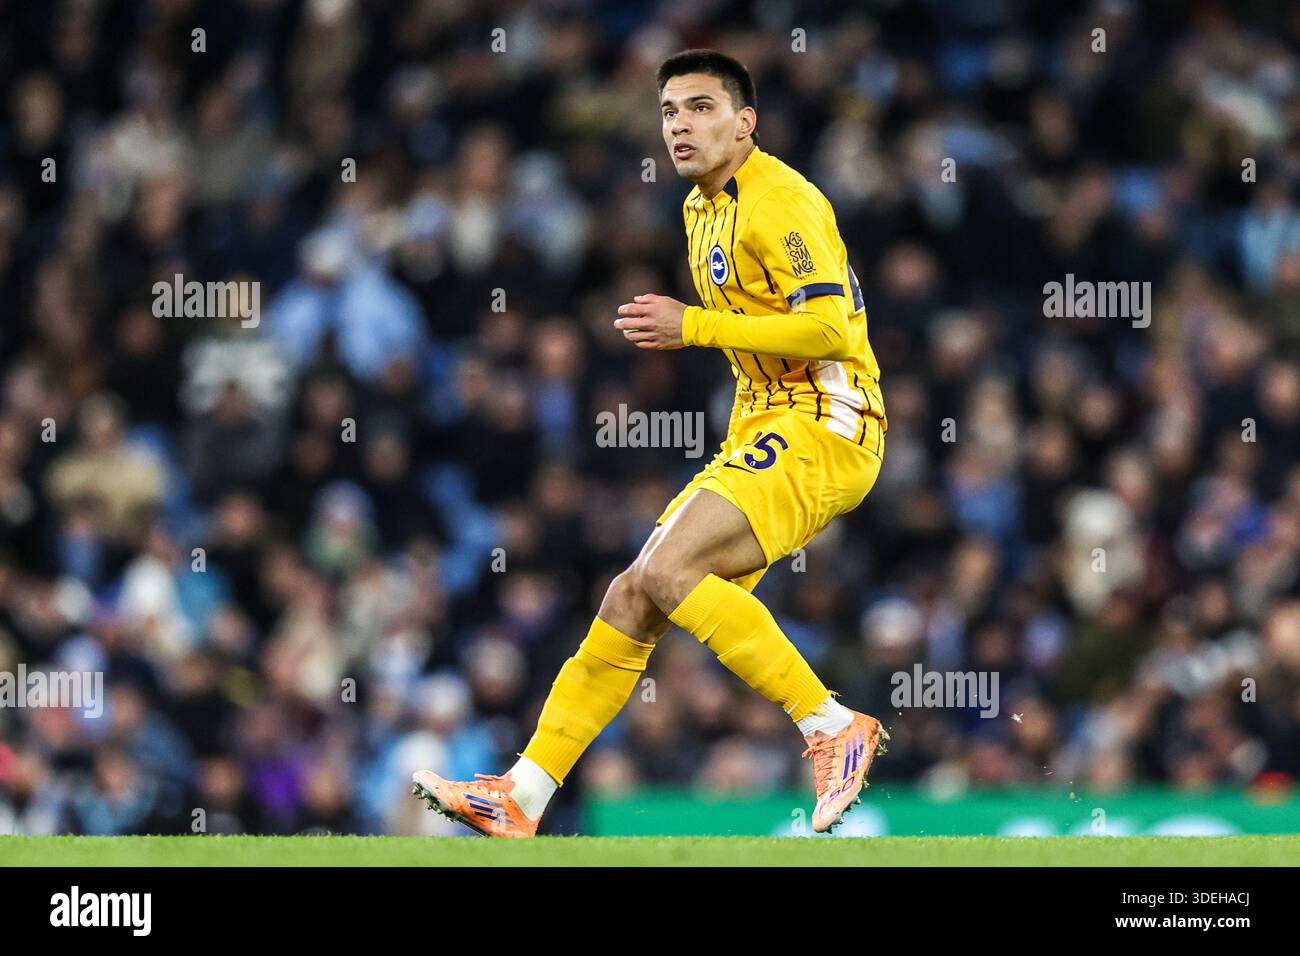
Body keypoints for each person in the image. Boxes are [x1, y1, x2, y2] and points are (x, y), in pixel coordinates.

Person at [413, 49, 889, 837]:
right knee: (634, 592)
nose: (680, 125)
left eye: (701, 108)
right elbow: (760, 348)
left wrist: (693, 326)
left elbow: (831, 325)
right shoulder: (701, 208)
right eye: (669, 111)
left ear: (747, 123)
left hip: (827, 424)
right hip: (772, 424)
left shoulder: (782, 200)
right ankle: (522, 795)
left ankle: (831, 724)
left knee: (668, 569)